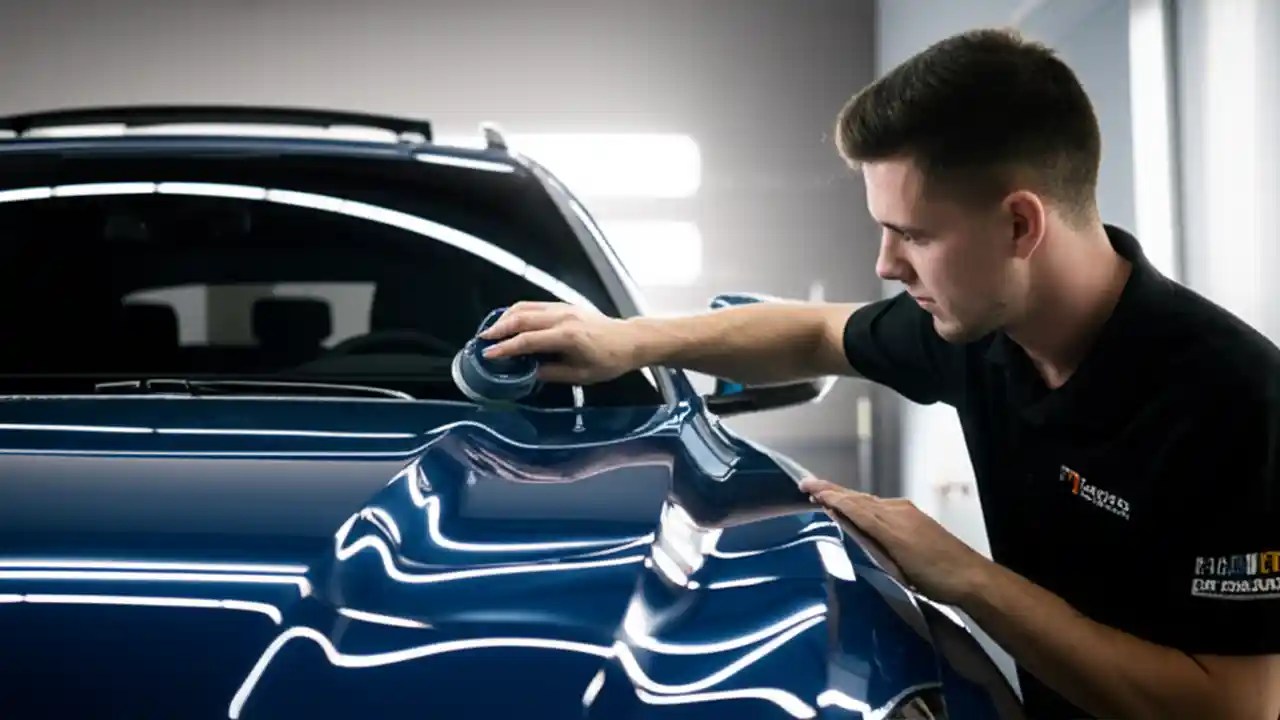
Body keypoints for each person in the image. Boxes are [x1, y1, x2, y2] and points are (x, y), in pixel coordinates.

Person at [480, 27, 1280, 720]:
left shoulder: (1234, 400)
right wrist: (628, 341)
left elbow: (1236, 707)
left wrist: (964, 577)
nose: (887, 265)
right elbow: (813, 331)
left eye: (914, 235)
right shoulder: (979, 332)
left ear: (1019, 224)